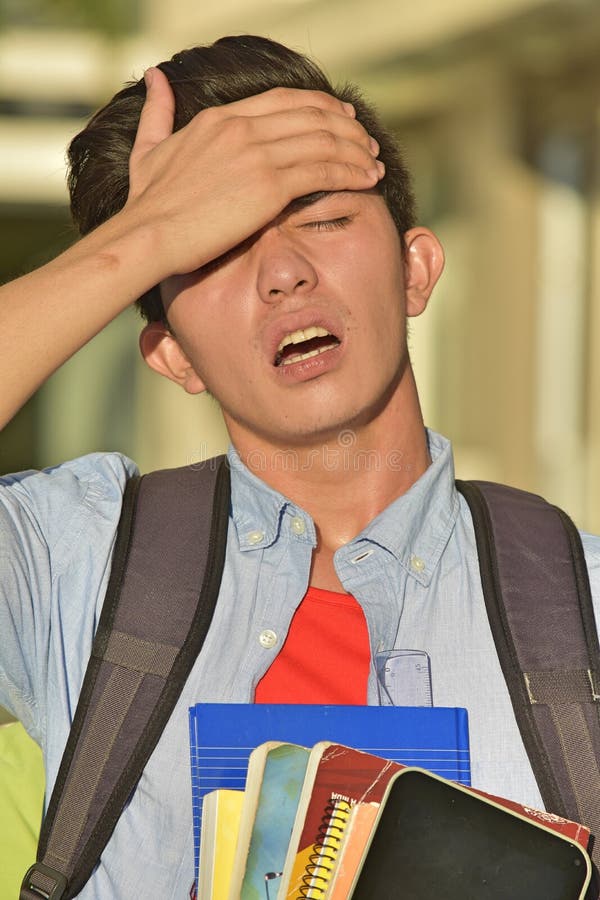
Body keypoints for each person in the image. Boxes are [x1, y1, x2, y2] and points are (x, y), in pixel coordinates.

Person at [0, 35, 598, 898]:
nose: (282, 272)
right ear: (172, 356)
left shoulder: (583, 610)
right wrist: (146, 234)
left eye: (322, 219)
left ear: (416, 270)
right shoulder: (77, 564)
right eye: (213, 248)